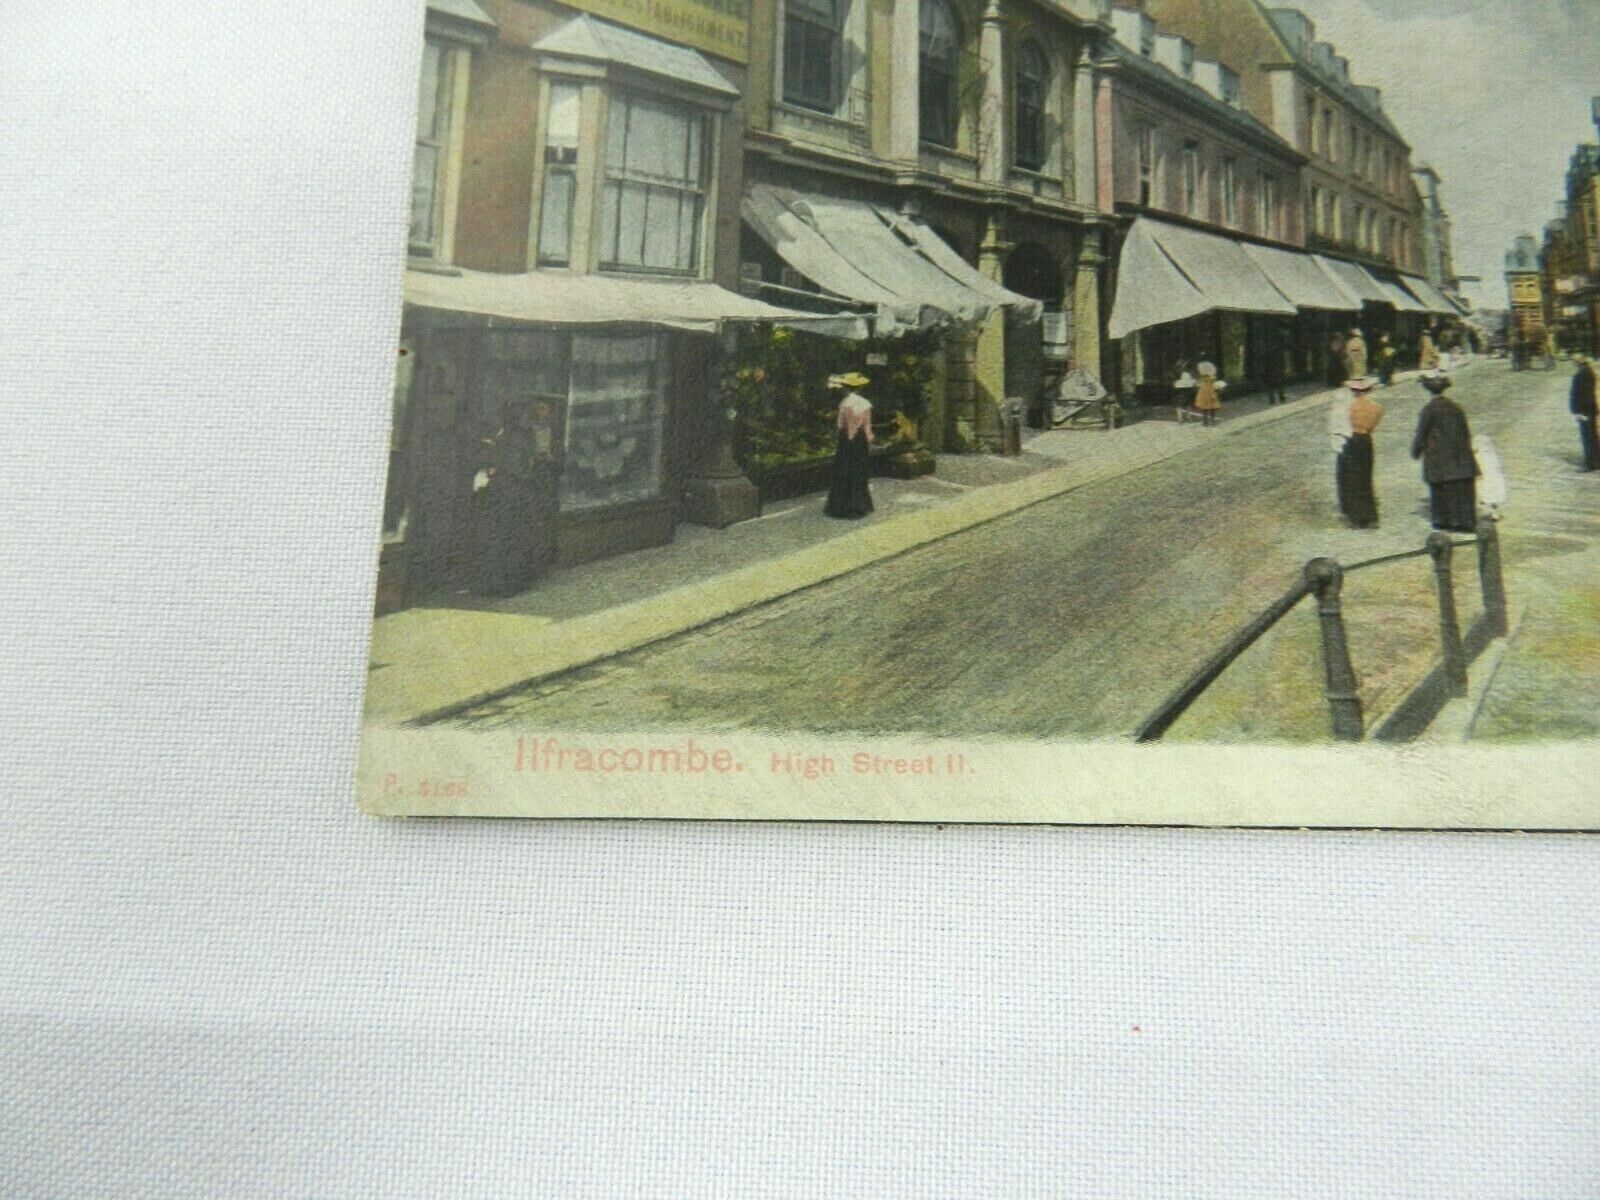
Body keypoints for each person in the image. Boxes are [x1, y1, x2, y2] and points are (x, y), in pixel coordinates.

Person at [1410, 370, 1480, 533]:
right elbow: (1465, 432)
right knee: (1461, 490)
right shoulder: (1456, 408)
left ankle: (1444, 520)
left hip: (1439, 458)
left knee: (1441, 490)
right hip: (1461, 458)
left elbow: (1421, 434)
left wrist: (1415, 451)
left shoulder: (1429, 409)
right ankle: (1465, 521)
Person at [824, 372, 875, 519]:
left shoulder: (844, 404)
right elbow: (867, 426)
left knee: (843, 470)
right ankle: (859, 505)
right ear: (859, 388)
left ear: (846, 388)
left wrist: (846, 434)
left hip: (845, 440)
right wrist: (870, 440)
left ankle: (840, 506)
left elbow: (840, 424)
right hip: (860, 440)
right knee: (859, 470)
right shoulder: (865, 404)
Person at [1335, 377, 1384, 528]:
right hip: (1366, 441)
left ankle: (1355, 516)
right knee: (1365, 477)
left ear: (1353, 391)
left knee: (1351, 478)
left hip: (1351, 440)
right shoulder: (1376, 408)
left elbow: (1340, 426)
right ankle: (1370, 515)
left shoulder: (1348, 408)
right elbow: (1372, 426)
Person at [1570, 353, 1599, 471]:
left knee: (1587, 437)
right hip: (1590, 409)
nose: (1572, 363)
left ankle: (1590, 463)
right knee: (1593, 436)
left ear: (1578, 361)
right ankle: (1596, 460)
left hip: (1585, 410)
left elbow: (1583, 394)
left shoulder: (1581, 374)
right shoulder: (1589, 371)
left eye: (1573, 361)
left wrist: (1581, 412)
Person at [1193, 360, 1223, 427]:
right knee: (1212, 407)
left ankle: (1205, 422)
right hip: (1211, 392)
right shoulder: (1212, 377)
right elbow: (1214, 384)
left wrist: (1197, 383)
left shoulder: (1202, 378)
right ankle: (1212, 421)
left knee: (1205, 408)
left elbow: (1198, 385)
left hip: (1204, 392)